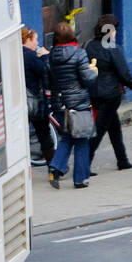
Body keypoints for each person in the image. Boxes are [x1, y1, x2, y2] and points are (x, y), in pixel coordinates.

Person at [84, 14, 132, 171]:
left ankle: (122, 159)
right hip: (111, 94)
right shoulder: (113, 48)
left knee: (114, 126)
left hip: (94, 92)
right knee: (99, 130)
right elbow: (123, 73)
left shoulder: (89, 45)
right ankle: (84, 164)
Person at [46, 21, 99, 189]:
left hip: (60, 103)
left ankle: (55, 168)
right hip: (78, 103)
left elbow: (49, 81)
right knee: (82, 139)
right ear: (72, 35)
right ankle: (80, 179)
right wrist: (94, 71)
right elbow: (87, 79)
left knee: (67, 136)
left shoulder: (51, 56)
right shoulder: (79, 54)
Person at [22, 28, 54, 166]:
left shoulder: (17, 53)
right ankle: (53, 166)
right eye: (35, 39)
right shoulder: (30, 56)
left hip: (22, 101)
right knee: (44, 134)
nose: (37, 43)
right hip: (35, 102)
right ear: (27, 40)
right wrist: (46, 56)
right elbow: (45, 71)